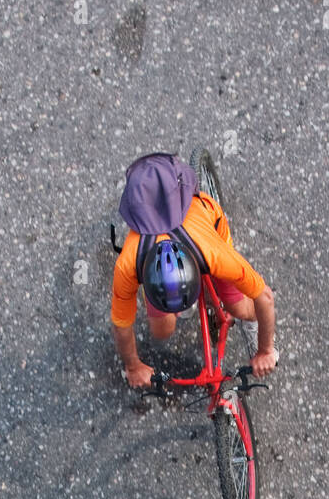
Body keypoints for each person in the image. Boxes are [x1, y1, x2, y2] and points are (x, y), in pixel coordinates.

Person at [110, 154, 277, 388]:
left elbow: (264, 296)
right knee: (161, 331)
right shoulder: (129, 263)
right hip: (182, 250)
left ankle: (249, 322)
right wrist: (133, 366)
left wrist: (266, 350)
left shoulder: (214, 254)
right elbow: (121, 323)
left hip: (204, 231)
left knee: (238, 307)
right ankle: (185, 303)